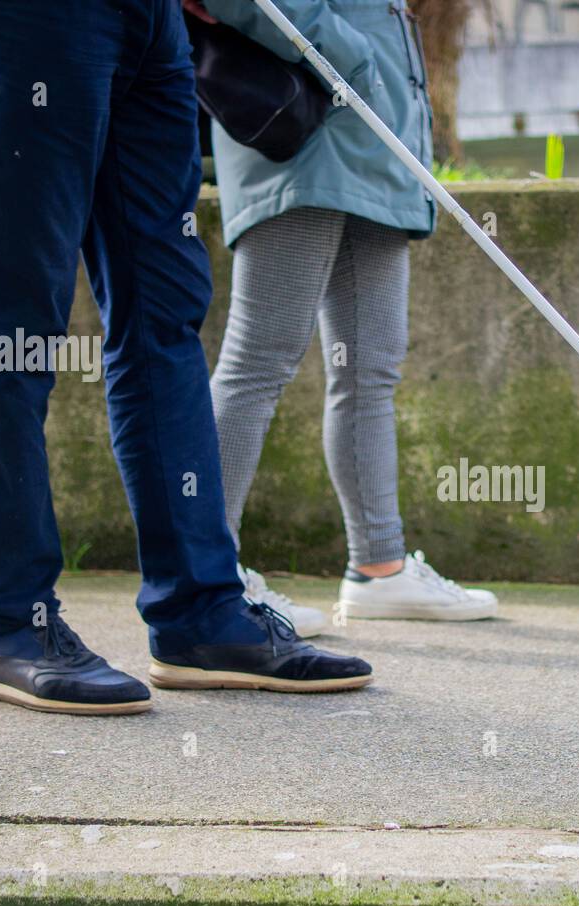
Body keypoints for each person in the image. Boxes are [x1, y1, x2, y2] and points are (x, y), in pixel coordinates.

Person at [0, 0, 373, 715]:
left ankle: (201, 613)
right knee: (18, 307)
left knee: (165, 310)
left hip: (150, 17)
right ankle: (7, 623)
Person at [200, 0, 497, 634]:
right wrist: (357, 60)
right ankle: (208, 574)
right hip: (307, 142)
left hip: (378, 151)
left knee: (370, 371)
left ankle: (380, 570)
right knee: (258, 362)